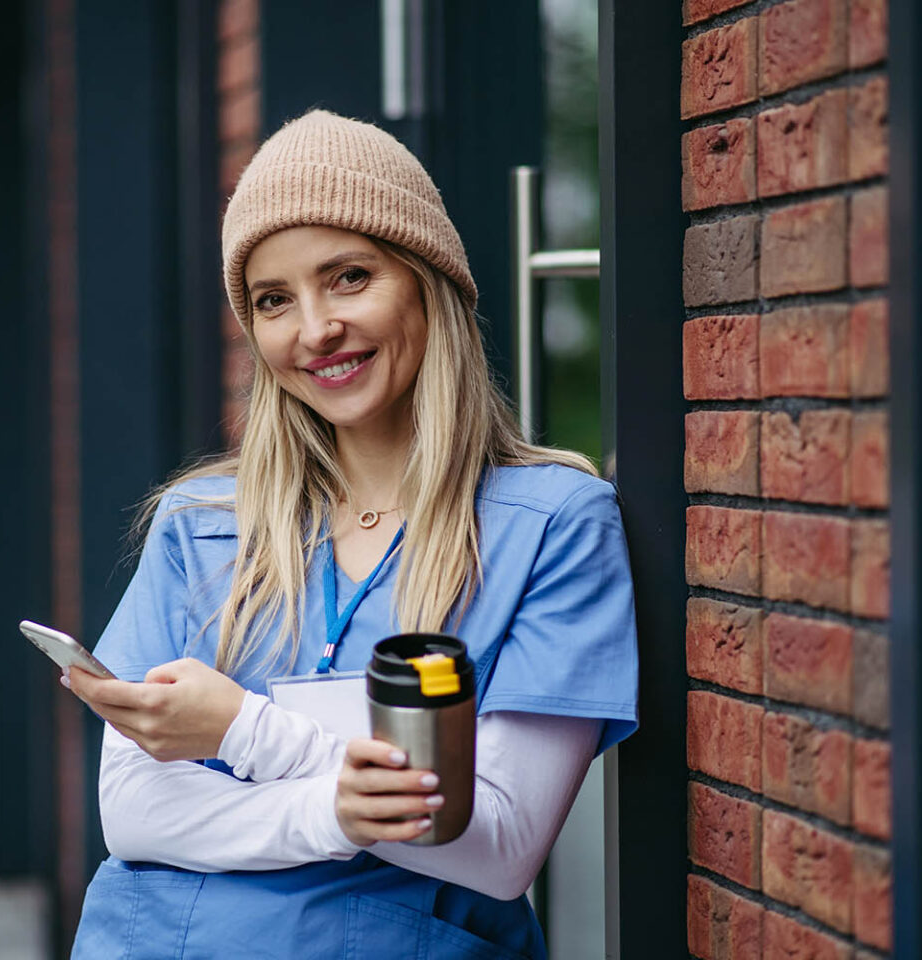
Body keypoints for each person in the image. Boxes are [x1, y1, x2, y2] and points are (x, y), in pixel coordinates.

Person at [63, 110, 637, 959]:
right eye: (273, 301)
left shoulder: (552, 525)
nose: (315, 329)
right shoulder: (202, 526)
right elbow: (136, 814)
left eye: (349, 277)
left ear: (427, 280)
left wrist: (240, 735)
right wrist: (335, 808)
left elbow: (500, 847)